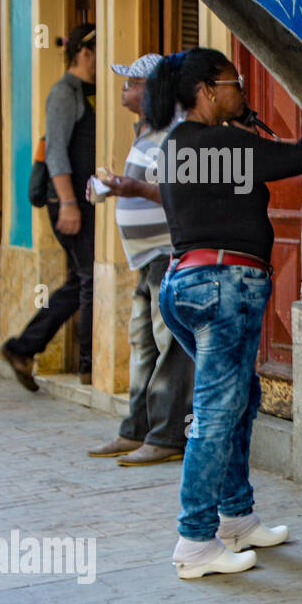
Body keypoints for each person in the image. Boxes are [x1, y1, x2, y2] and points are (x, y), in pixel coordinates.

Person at [144, 47, 302, 579]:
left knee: (239, 397)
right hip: (224, 286)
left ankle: (235, 516)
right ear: (209, 91)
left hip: (184, 285)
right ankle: (194, 542)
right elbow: (301, 157)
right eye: (235, 82)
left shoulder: (174, 148)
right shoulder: (225, 143)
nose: (243, 92)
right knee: (217, 409)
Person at [85, 53, 194, 465]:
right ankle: (136, 428)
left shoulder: (177, 132)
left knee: (168, 345)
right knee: (143, 341)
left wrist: (125, 187)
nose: (123, 90)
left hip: (167, 254)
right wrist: (110, 188)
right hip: (146, 258)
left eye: (131, 83)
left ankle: (167, 434)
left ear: (152, 89)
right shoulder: (149, 131)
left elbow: (176, 189)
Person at [1, 24, 98, 389]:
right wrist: (69, 203)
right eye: (97, 52)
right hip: (68, 201)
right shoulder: (64, 92)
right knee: (89, 277)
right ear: (83, 53)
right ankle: (88, 365)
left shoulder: (92, 91)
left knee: (79, 280)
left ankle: (23, 347)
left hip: (84, 201)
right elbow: (56, 150)